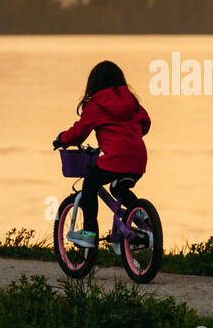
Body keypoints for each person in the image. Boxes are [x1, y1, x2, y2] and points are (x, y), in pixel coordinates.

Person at [53, 60, 151, 247]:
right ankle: (142, 217)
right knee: (118, 189)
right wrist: (132, 134)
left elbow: (80, 132)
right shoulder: (131, 100)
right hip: (138, 158)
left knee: (90, 183)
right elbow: (145, 123)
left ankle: (89, 232)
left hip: (116, 159)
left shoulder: (96, 104)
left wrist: (63, 139)